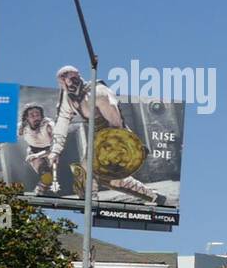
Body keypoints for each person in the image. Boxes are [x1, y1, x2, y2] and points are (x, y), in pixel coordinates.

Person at [47, 65, 167, 205]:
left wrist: (121, 151)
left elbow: (116, 122)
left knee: (108, 176)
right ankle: (154, 197)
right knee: (92, 175)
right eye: (64, 79)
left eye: (72, 77)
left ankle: (153, 197)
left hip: (114, 137)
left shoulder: (98, 92)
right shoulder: (67, 97)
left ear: (78, 77)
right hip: (97, 137)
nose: (67, 82)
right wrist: (55, 150)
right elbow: (62, 121)